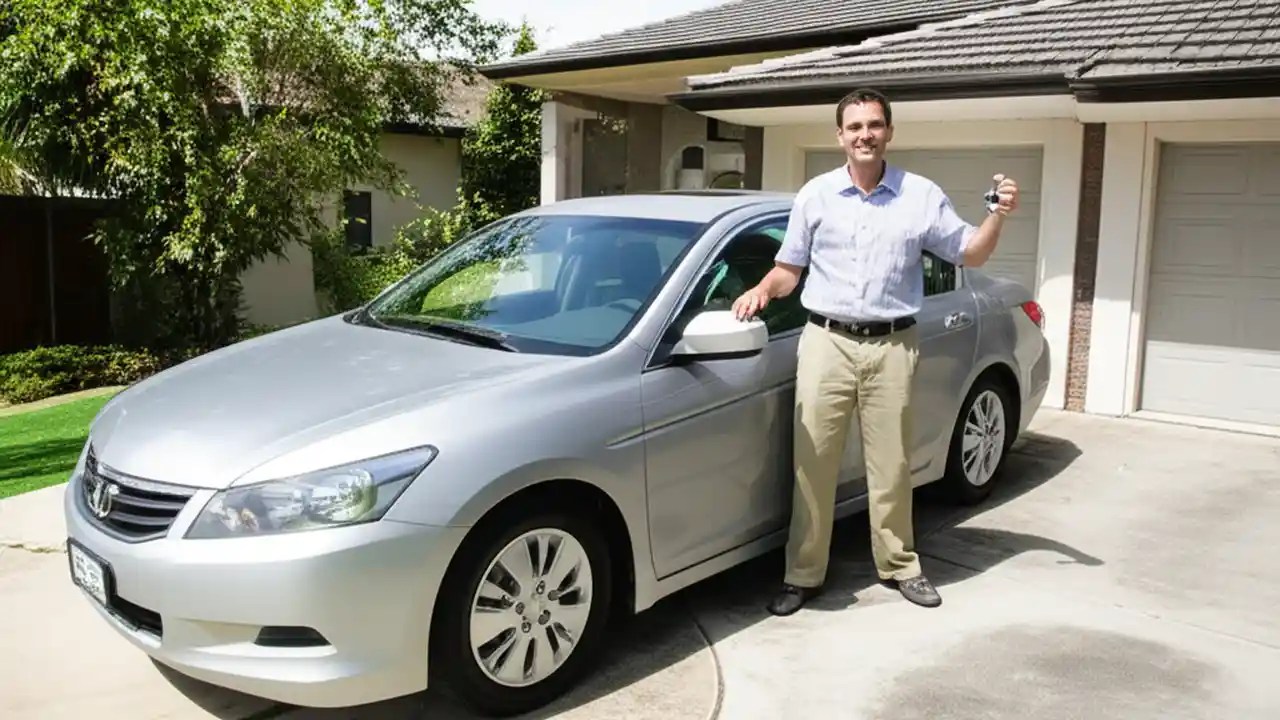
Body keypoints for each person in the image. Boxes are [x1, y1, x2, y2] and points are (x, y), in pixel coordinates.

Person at [731, 88, 1019, 615]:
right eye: (855, 126)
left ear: (889, 132)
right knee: (811, 463)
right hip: (826, 342)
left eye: (874, 125)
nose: (865, 134)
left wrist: (997, 214)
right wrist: (760, 291)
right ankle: (803, 574)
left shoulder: (920, 196)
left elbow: (969, 250)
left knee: (891, 464)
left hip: (892, 344)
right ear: (839, 136)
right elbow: (788, 271)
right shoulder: (814, 196)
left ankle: (900, 565)